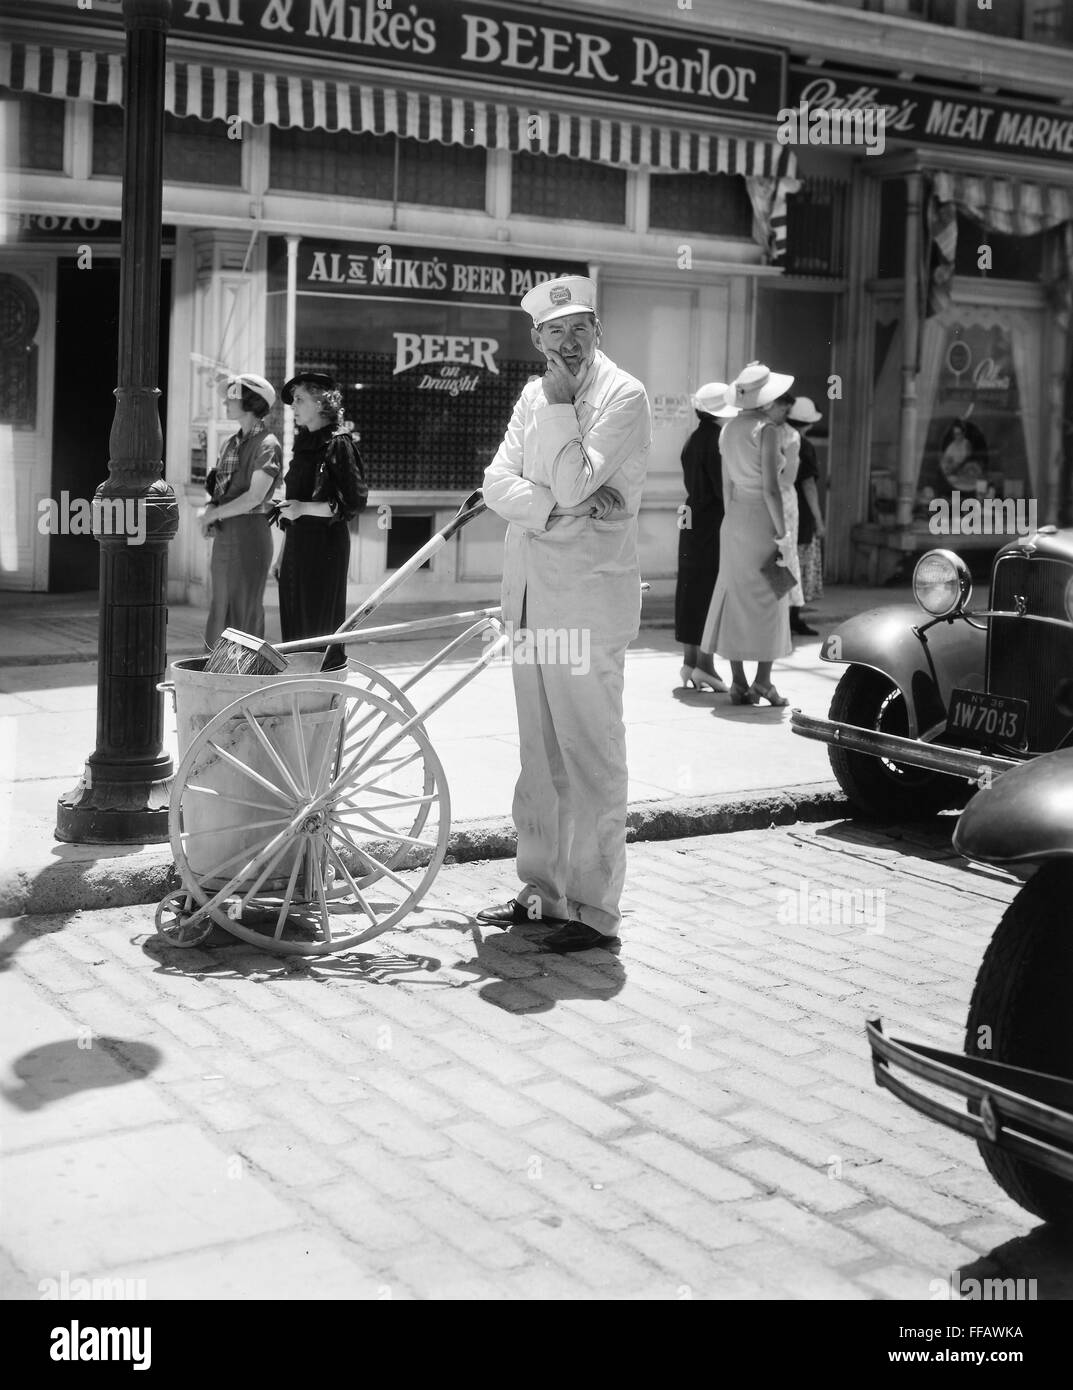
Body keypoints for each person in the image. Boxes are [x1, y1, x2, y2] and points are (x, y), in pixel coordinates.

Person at [478, 275, 652, 954]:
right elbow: (496, 483)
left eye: (580, 328)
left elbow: (580, 477)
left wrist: (558, 435)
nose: (569, 343)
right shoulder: (532, 392)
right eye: (555, 332)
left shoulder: (623, 394)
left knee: (589, 753)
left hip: (585, 600)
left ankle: (593, 910)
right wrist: (558, 506)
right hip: (527, 596)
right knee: (538, 754)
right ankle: (541, 891)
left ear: (598, 331)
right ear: (536, 338)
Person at [701, 361, 797, 707]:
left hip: (736, 519)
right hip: (762, 518)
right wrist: (784, 536)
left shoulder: (728, 430)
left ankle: (739, 682)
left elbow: (727, 486)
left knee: (735, 598)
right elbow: (772, 488)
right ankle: (764, 681)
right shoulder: (767, 431)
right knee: (774, 594)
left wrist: (734, 520)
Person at [277, 371, 369, 668]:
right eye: (293, 401)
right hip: (298, 546)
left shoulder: (339, 444)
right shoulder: (304, 444)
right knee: (295, 626)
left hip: (324, 547)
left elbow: (352, 503)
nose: (294, 405)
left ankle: (322, 695)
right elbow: (294, 505)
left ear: (320, 402)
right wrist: (283, 552)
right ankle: (299, 691)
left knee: (318, 626)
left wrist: (304, 508)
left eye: (300, 399)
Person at [200, 373, 282, 650]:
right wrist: (212, 507)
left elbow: (254, 497)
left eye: (232, 395)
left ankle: (244, 679)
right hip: (226, 535)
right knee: (220, 607)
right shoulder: (230, 444)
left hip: (249, 534)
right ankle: (215, 675)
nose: (225, 401)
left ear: (250, 400)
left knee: (244, 610)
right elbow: (219, 489)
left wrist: (213, 515)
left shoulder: (268, 445)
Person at [675, 382, 736, 692]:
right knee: (709, 593)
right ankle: (706, 665)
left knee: (690, 590)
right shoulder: (716, 441)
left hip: (692, 520)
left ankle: (690, 661)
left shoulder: (694, 439)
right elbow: (722, 490)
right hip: (712, 523)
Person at [789, 396, 826, 635]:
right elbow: (809, 485)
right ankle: (794, 618)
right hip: (800, 516)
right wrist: (819, 520)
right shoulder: (804, 445)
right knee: (798, 568)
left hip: (780, 515)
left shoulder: (776, 437)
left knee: (783, 567)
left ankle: (785, 617)